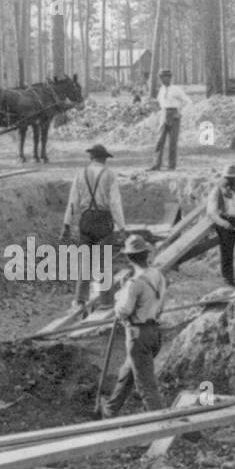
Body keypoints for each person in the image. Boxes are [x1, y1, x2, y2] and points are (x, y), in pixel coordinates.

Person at [100, 235, 167, 417]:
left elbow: (122, 311)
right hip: (154, 332)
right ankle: (111, 409)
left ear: (129, 258)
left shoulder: (134, 283)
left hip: (138, 336)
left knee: (146, 387)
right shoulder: (158, 275)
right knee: (127, 373)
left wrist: (118, 297)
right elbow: (160, 303)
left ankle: (163, 426)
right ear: (146, 254)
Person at [61, 144, 126, 312]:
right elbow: (115, 204)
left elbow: (73, 202)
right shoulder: (109, 175)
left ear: (91, 158)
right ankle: (106, 302)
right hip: (103, 219)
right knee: (104, 263)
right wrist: (122, 228)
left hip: (86, 219)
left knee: (85, 261)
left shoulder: (80, 174)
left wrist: (66, 225)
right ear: (104, 159)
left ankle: (80, 300)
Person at [150, 69, 191, 171]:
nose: (164, 80)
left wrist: (180, 113)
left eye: (166, 77)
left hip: (174, 115)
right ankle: (156, 164)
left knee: (172, 142)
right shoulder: (161, 90)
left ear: (170, 78)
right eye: (162, 78)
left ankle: (171, 166)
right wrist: (160, 111)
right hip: (164, 114)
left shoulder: (176, 89)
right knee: (159, 141)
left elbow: (188, 101)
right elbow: (160, 102)